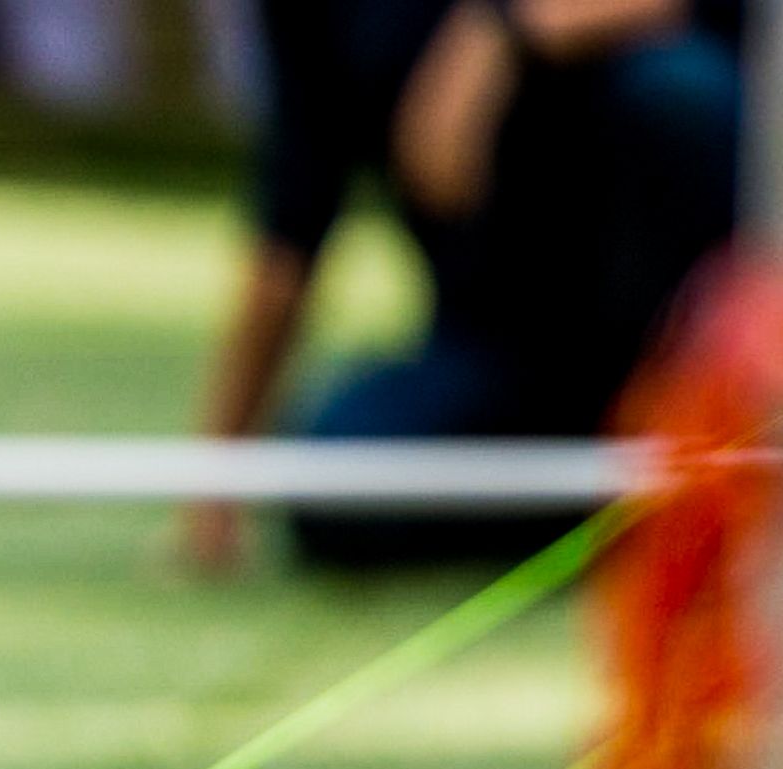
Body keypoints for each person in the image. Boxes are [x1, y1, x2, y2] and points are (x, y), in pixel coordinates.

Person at [187, 0, 749, 568]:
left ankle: (704, 478)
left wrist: (500, 29)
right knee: (335, 476)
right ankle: (620, 521)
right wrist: (216, 488)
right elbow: (292, 223)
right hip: (497, 354)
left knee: (679, 89)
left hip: (685, 360)